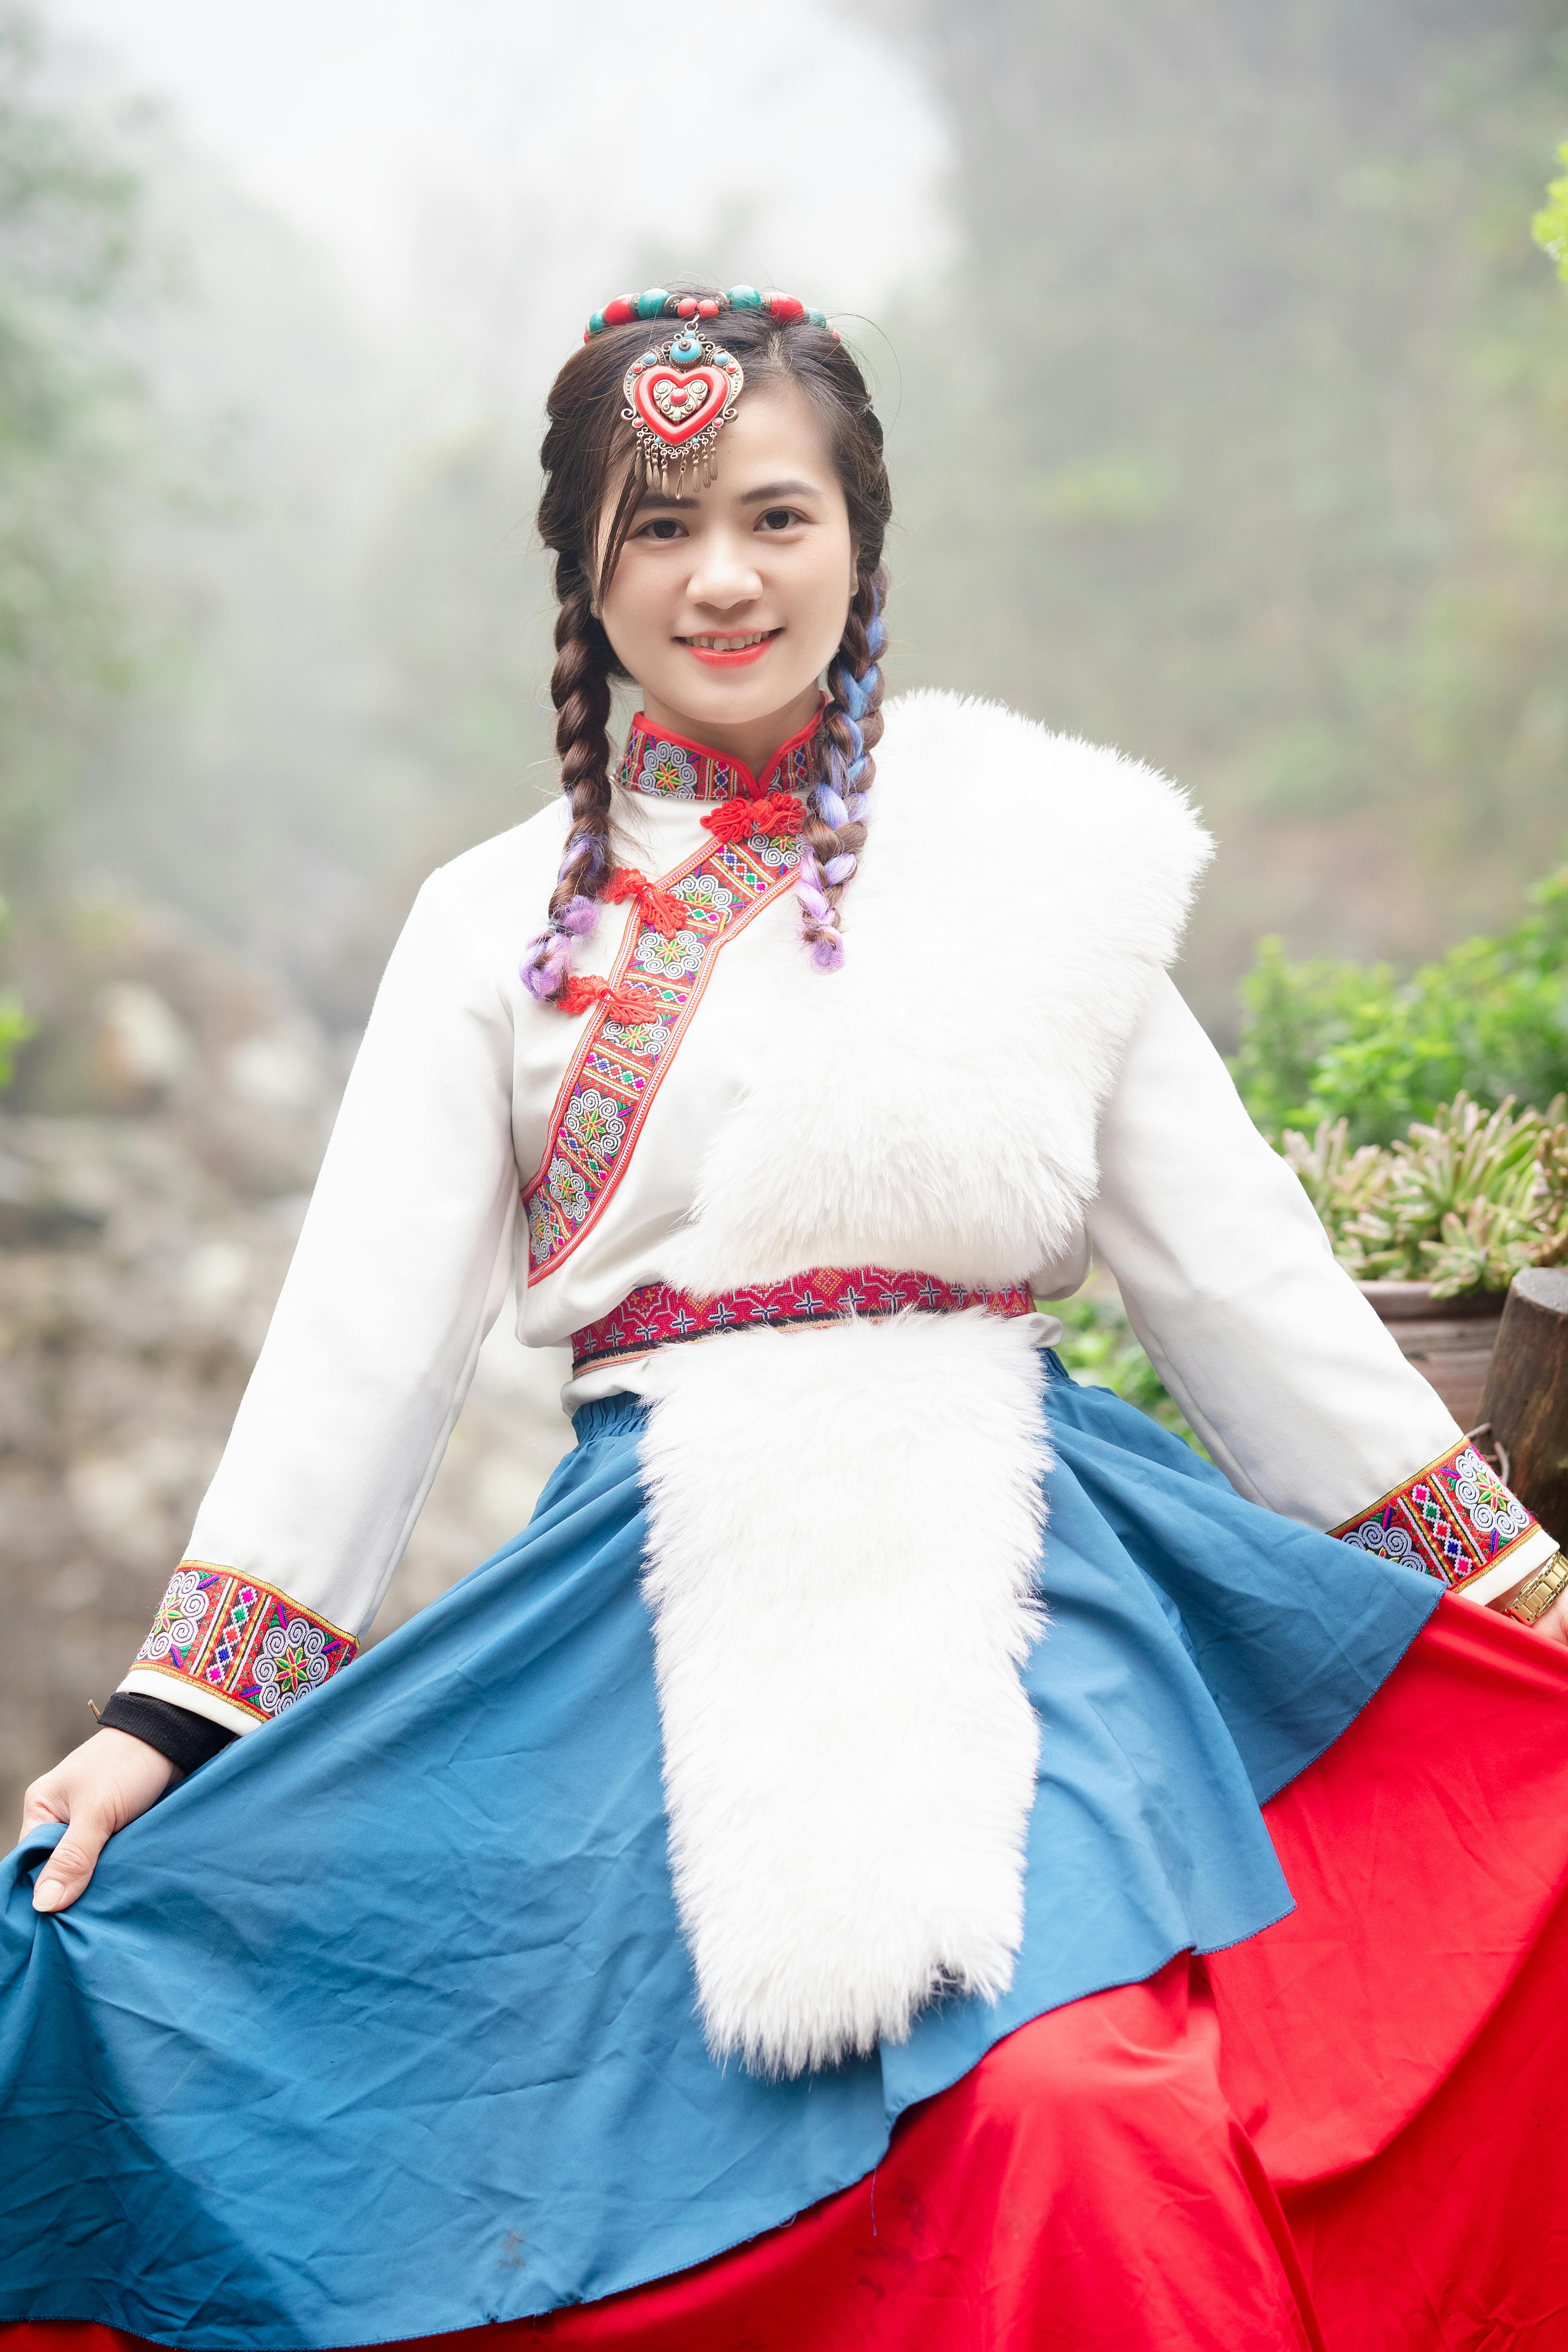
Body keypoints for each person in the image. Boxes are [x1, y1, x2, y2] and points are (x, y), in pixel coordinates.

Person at [3, 284, 1567, 2352]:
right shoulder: (488, 928)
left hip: (1030, 1582)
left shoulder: (1032, 855)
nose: (721, 579)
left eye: (773, 517)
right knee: (598, 2177)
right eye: (657, 530)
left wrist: (1515, 1589)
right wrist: (160, 1724)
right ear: (585, 570)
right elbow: (361, 1359)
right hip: (646, 1614)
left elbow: (1243, 1286)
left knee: (1082, 2107)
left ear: (862, 539)